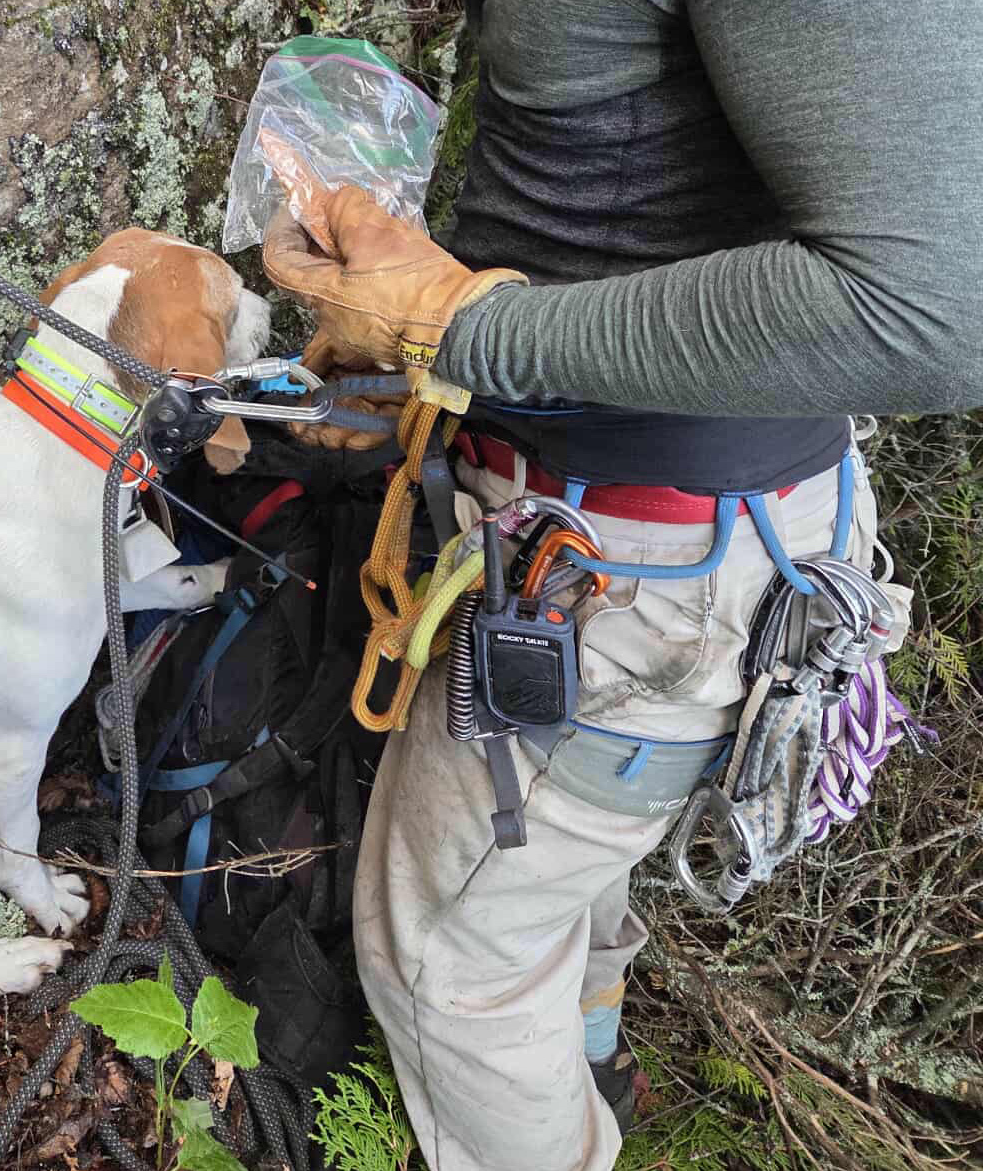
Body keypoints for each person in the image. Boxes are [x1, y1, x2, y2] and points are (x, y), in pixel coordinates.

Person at [261, 2, 983, 1169]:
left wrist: (466, 331)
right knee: (558, 858)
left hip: (637, 575)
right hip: (661, 549)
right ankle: (590, 1050)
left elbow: (935, 311)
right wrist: (453, 360)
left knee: (453, 967)